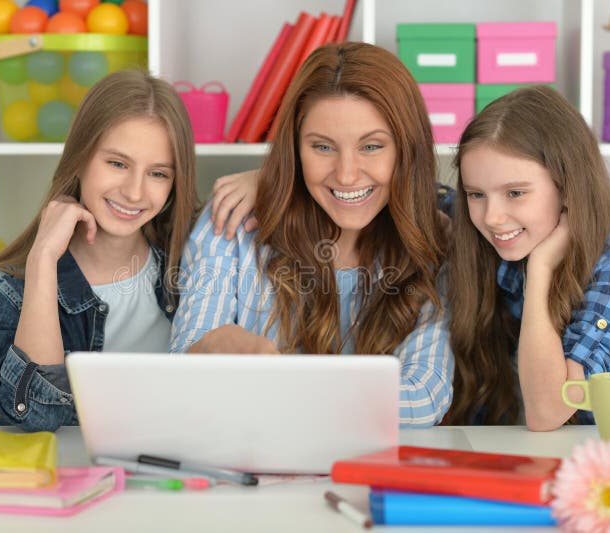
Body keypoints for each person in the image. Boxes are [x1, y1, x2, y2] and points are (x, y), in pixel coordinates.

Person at [171, 42, 454, 427]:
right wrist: (210, 349)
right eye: (322, 147)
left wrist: (288, 390)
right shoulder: (233, 223)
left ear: (407, 150)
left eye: (371, 146)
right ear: (295, 149)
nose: (347, 174)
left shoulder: (435, 240)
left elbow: (423, 397)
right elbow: (185, 354)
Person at [0, 70, 251, 432]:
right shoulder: (1, 293)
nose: (134, 192)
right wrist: (43, 260)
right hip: (69, 481)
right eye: (117, 164)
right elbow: (36, 417)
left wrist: (265, 181)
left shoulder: (196, 254)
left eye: (158, 174)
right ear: (80, 158)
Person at [445, 85, 610, 429]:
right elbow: (420, 198)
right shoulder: (495, 235)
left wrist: (541, 271)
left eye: (515, 193)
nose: (491, 217)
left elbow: (548, 410)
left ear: (567, 186)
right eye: (476, 194)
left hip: (603, 463)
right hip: (520, 455)